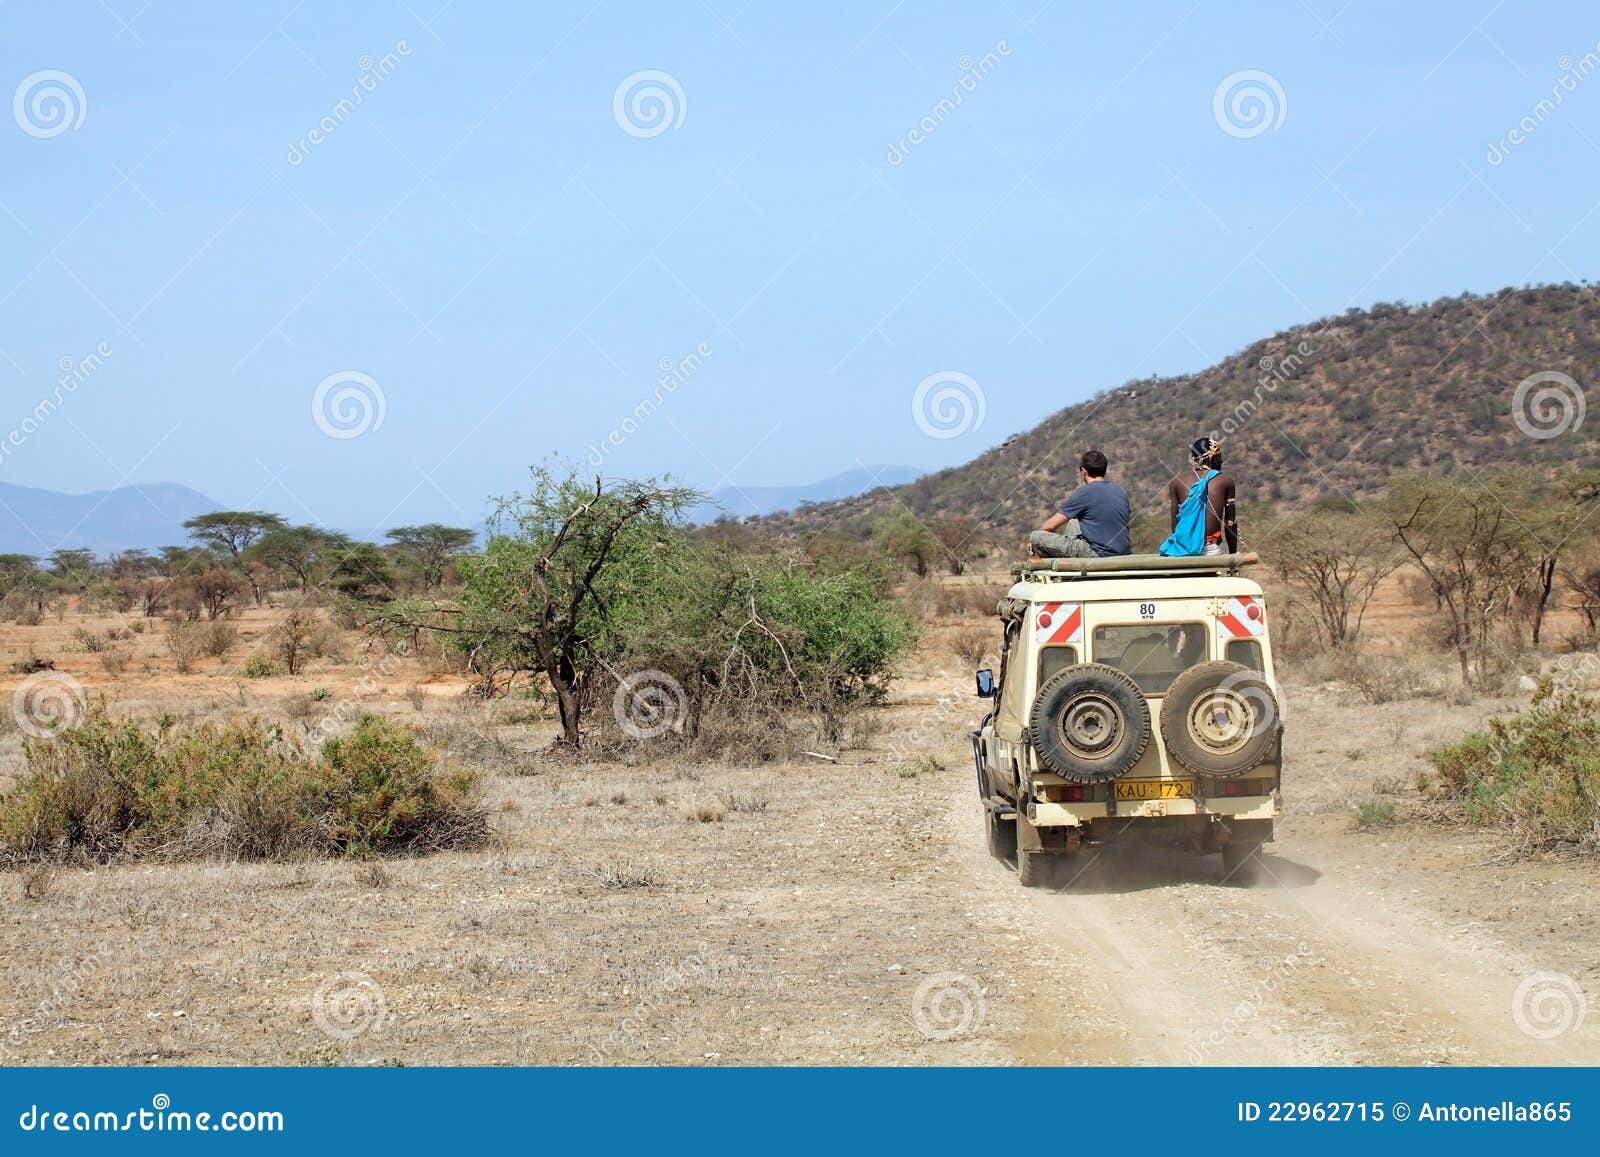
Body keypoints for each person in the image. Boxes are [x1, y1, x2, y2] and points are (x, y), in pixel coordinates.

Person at [1028, 449, 1131, 559]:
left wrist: (1034, 542)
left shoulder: (1084, 492)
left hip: (1096, 554)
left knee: (1035, 536)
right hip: (1123, 553)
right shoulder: (1120, 491)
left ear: (1083, 472)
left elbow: (1051, 525)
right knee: (1074, 523)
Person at [1160, 436, 1237, 557]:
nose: (1221, 461)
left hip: (1184, 550)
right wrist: (1233, 558)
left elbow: (1175, 528)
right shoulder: (1225, 481)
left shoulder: (1176, 482)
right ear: (1210, 458)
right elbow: (1230, 524)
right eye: (1218, 456)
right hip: (1212, 549)